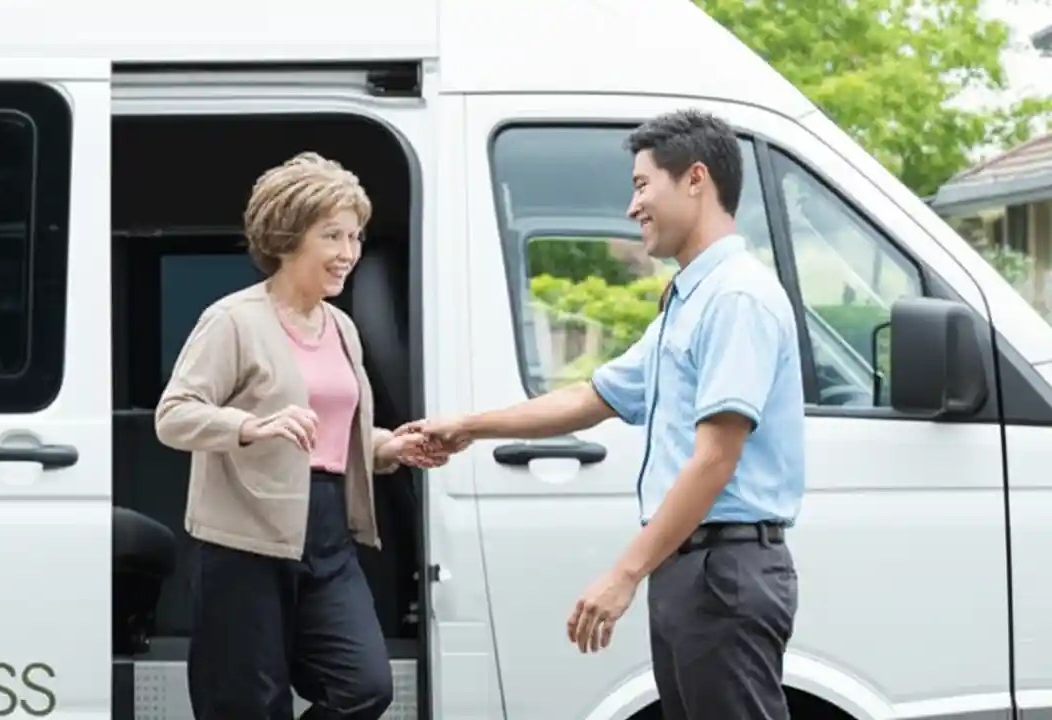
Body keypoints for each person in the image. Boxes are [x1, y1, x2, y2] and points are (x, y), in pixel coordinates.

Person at [413, 110, 805, 720]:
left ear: (695, 179)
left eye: (643, 184)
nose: (632, 206)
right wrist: (468, 426)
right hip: (690, 568)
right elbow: (591, 397)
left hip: (722, 570)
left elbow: (716, 458)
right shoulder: (690, 300)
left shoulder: (736, 297)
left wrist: (623, 575)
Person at [155, 151, 447, 720]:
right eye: (332, 236)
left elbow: (333, 436)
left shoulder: (340, 326)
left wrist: (389, 447)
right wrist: (248, 425)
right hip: (245, 540)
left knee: (364, 686)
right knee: (248, 705)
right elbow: (174, 415)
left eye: (355, 236)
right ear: (288, 237)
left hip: (328, 534)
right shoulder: (233, 320)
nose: (349, 253)